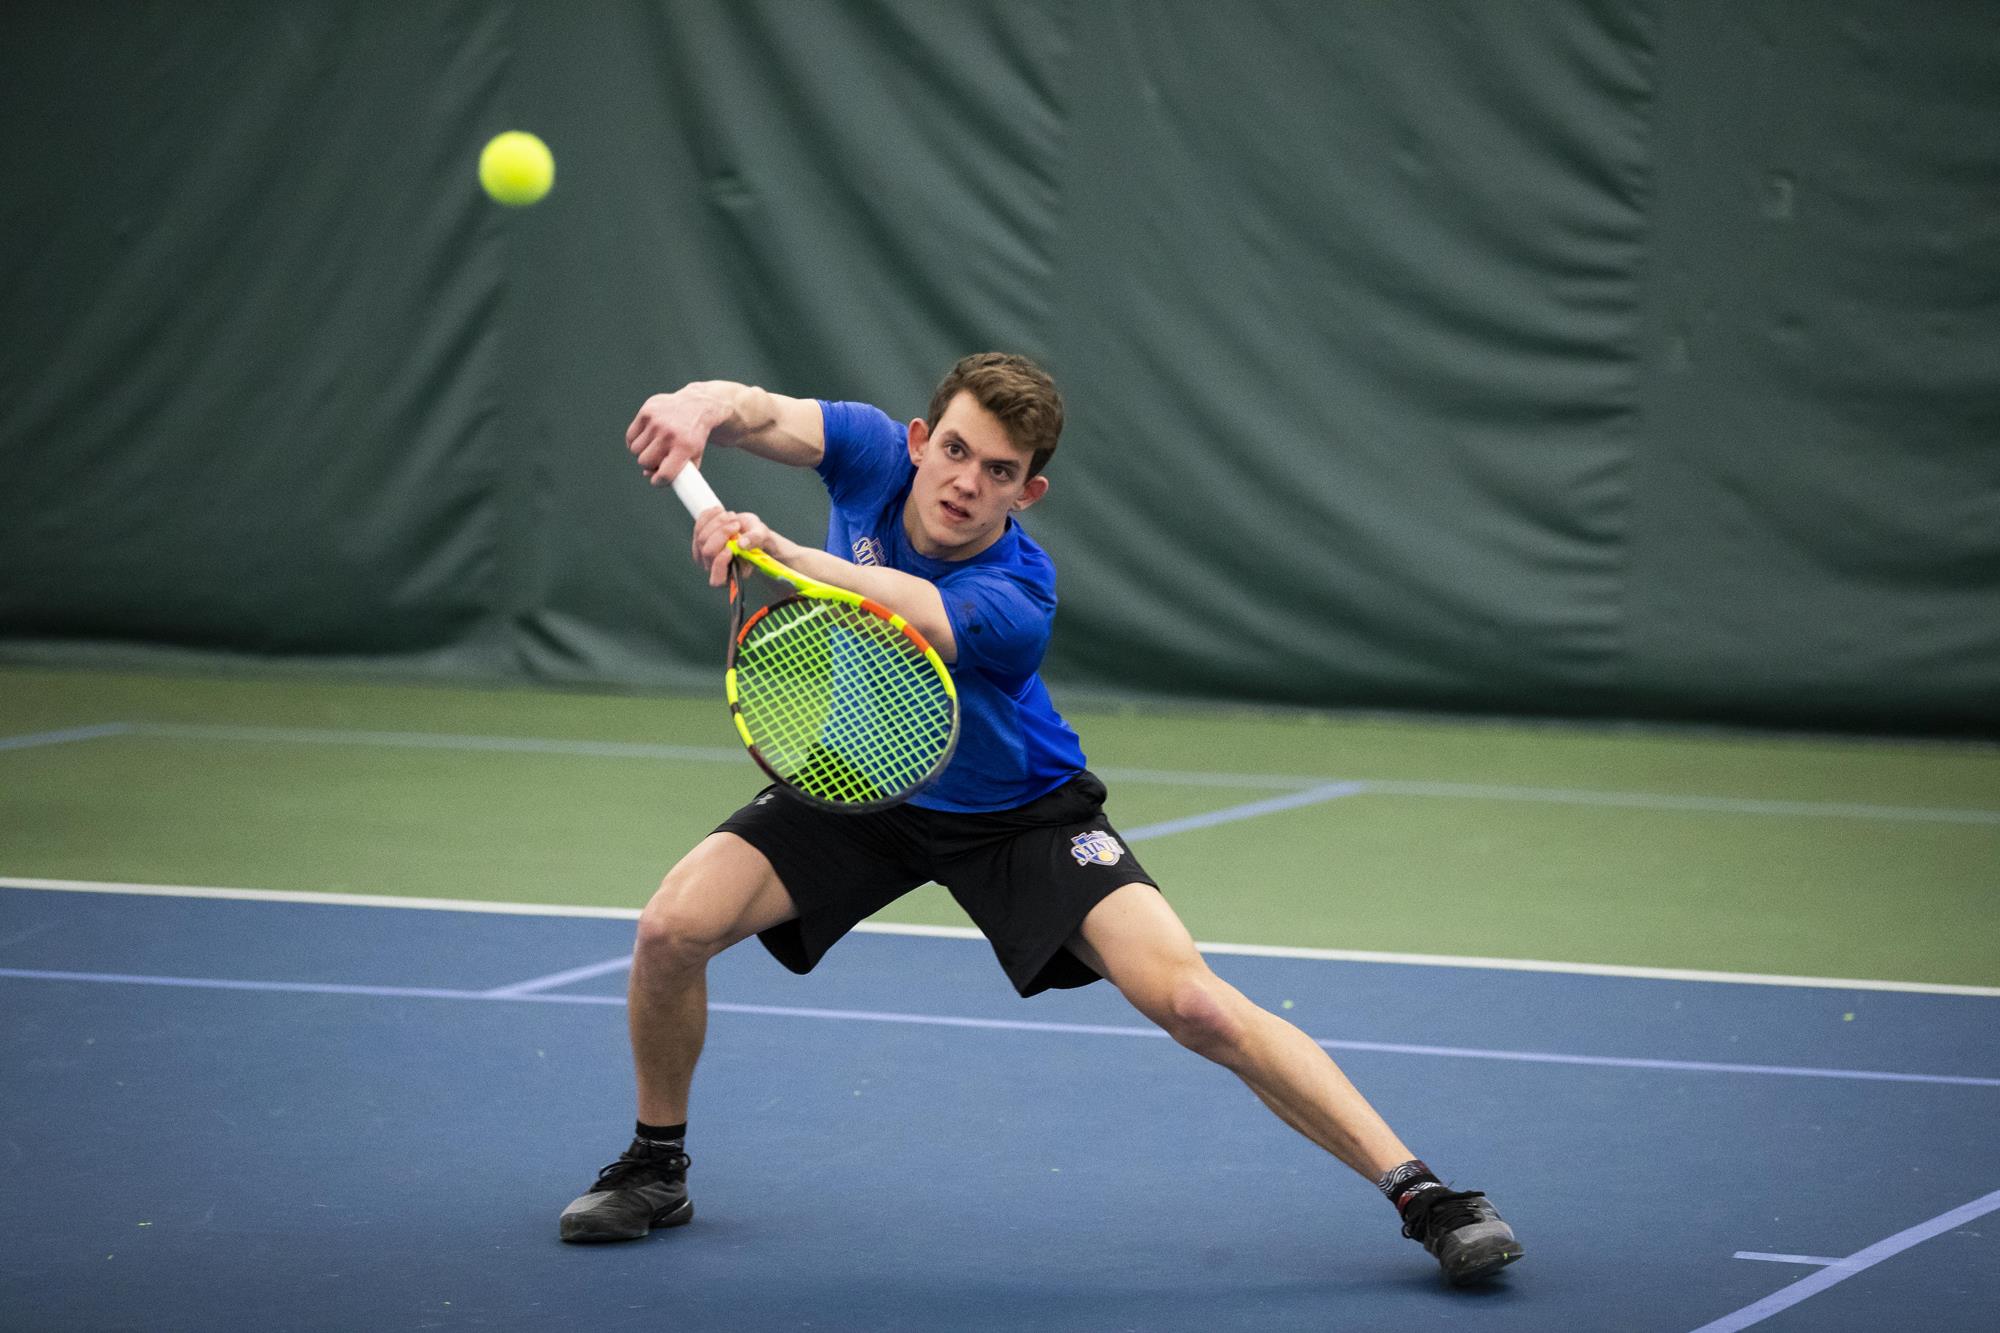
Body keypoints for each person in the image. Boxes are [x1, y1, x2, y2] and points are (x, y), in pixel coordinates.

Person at [558, 352, 1523, 1285]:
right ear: (921, 439)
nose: (967, 482)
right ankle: (656, 1166)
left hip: (1019, 812)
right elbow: (759, 410)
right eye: (958, 452)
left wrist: (785, 553)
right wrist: (696, 406)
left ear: (1030, 493)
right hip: (865, 782)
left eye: (1001, 472)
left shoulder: (1021, 591)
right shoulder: (868, 450)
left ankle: (1428, 1195)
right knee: (672, 926)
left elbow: (922, 614)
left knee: (1191, 1000)